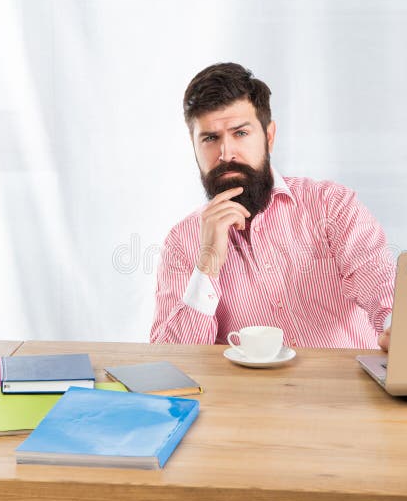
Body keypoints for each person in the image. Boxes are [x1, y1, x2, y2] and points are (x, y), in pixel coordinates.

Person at [150, 62, 394, 351]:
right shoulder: (181, 242)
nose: (226, 153)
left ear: (269, 136)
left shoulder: (331, 205)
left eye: (240, 133)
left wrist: (397, 328)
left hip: (342, 381)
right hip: (247, 384)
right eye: (210, 138)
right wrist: (208, 263)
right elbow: (170, 359)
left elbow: (378, 282)